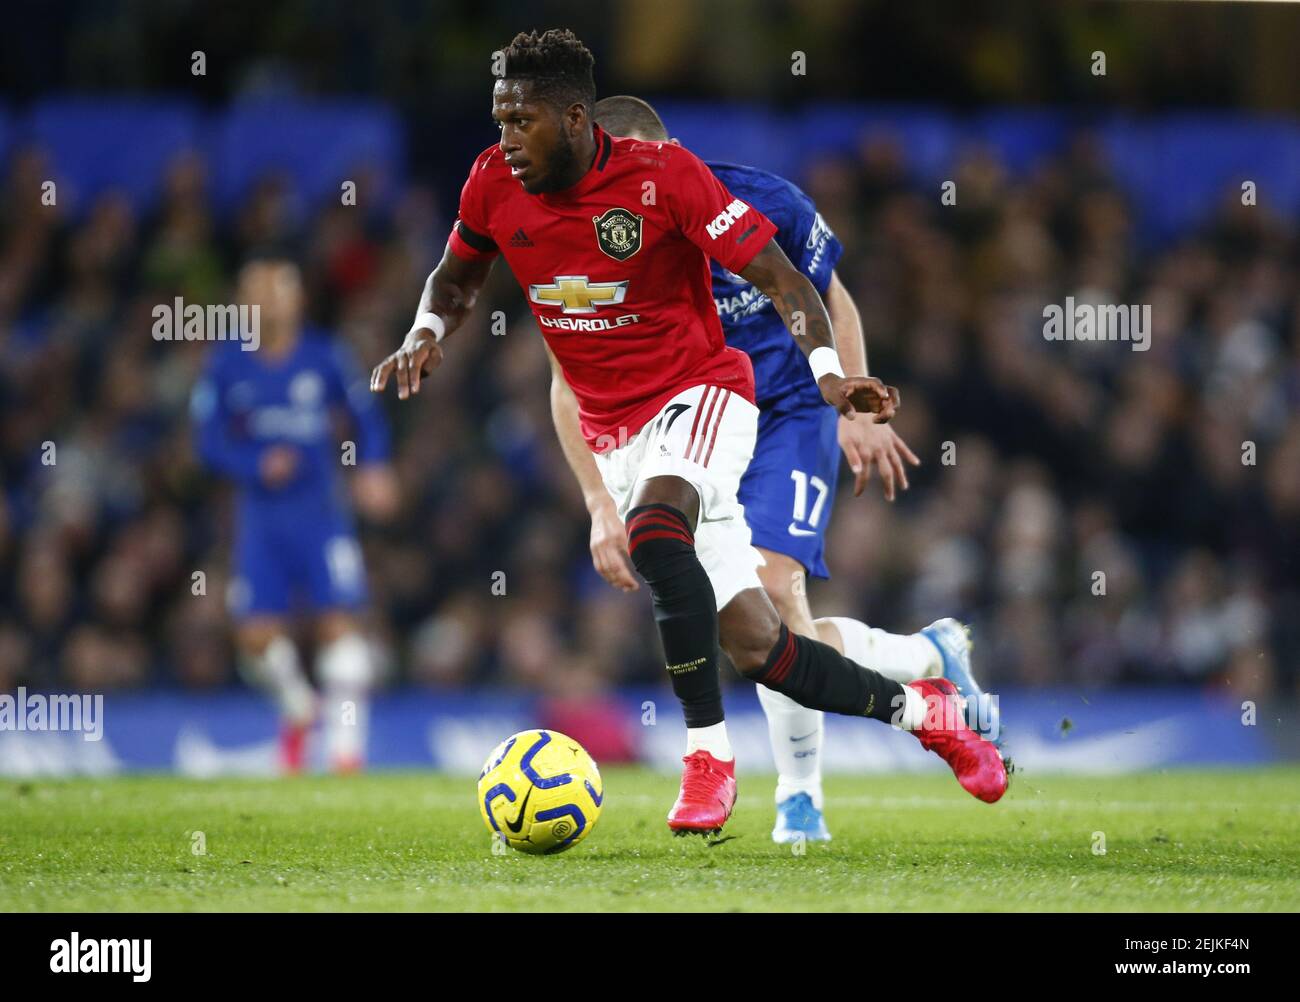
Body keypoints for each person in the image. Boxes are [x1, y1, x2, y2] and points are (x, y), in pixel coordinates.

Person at [371, 29, 1007, 835]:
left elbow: (789, 283)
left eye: (519, 122)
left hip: (709, 393)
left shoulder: (670, 179)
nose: (504, 141)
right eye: (498, 122)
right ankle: (929, 714)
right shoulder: (494, 182)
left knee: (657, 530)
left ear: (574, 118)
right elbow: (458, 278)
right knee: (763, 648)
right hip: (619, 430)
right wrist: (425, 331)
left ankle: (710, 762)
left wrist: (834, 383)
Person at [538, 94, 998, 844]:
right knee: (752, 628)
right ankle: (926, 656)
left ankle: (798, 796)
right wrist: (597, 501)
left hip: (786, 409)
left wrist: (852, 402)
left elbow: (829, 299)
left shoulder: (763, 203)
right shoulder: (589, 241)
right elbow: (566, 377)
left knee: (775, 585)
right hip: (680, 423)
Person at [192, 252, 397, 773]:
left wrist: (372, 466)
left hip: (320, 513)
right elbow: (207, 442)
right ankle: (299, 707)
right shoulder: (225, 363)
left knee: (340, 630)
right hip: (259, 518)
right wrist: (255, 462)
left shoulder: (325, 356)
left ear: (298, 299)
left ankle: (347, 754)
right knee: (256, 640)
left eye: (278, 289)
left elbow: (366, 416)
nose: (266, 300)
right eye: (256, 290)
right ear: (242, 302)